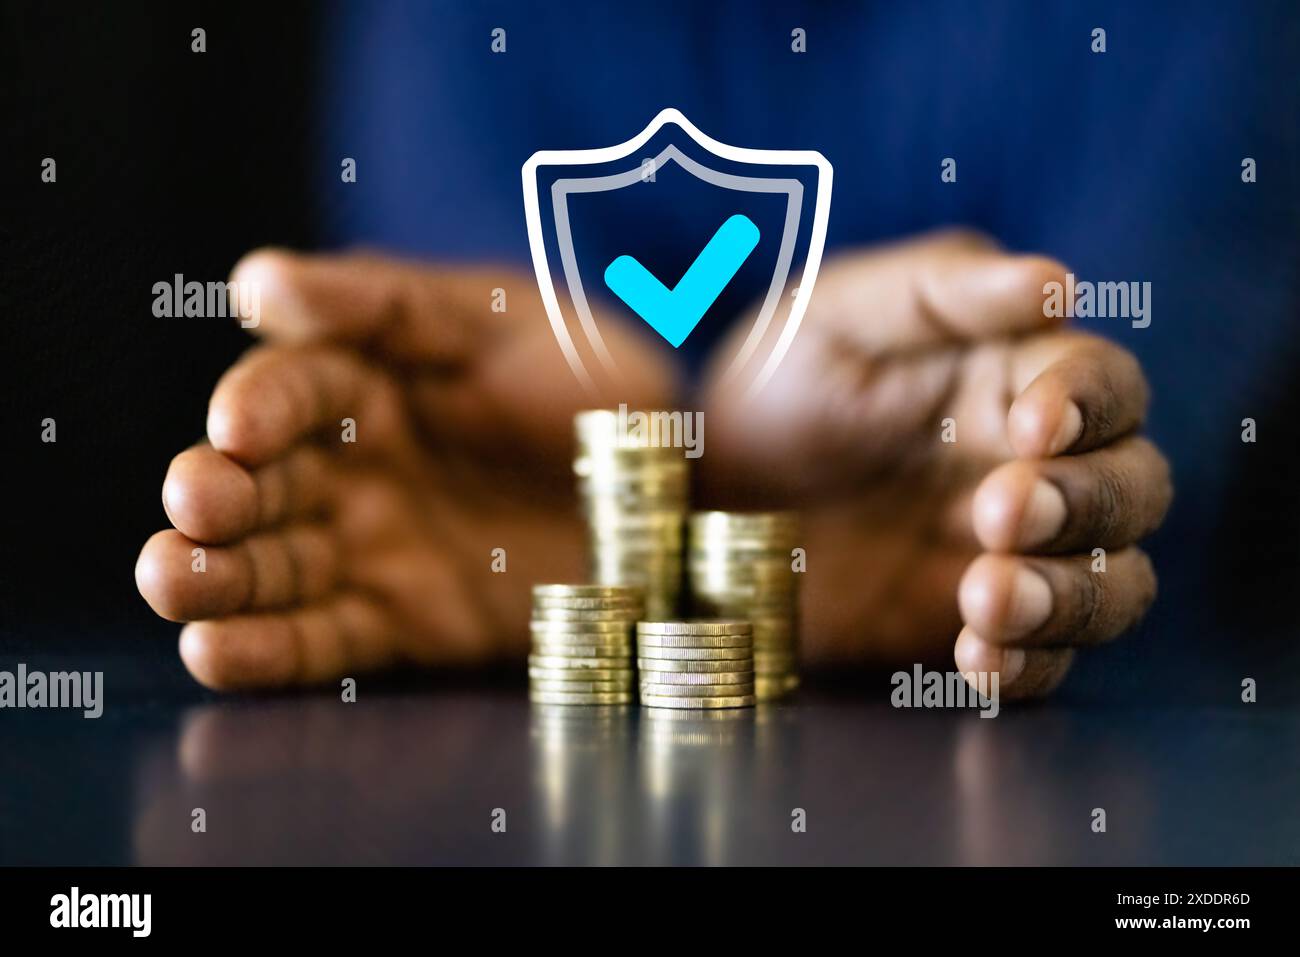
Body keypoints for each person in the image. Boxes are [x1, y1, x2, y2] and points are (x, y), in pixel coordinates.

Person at [136, 2, 1296, 699]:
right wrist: (596, 470)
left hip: (1113, 726)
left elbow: (1136, 407)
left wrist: (1019, 440)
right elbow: (475, 336)